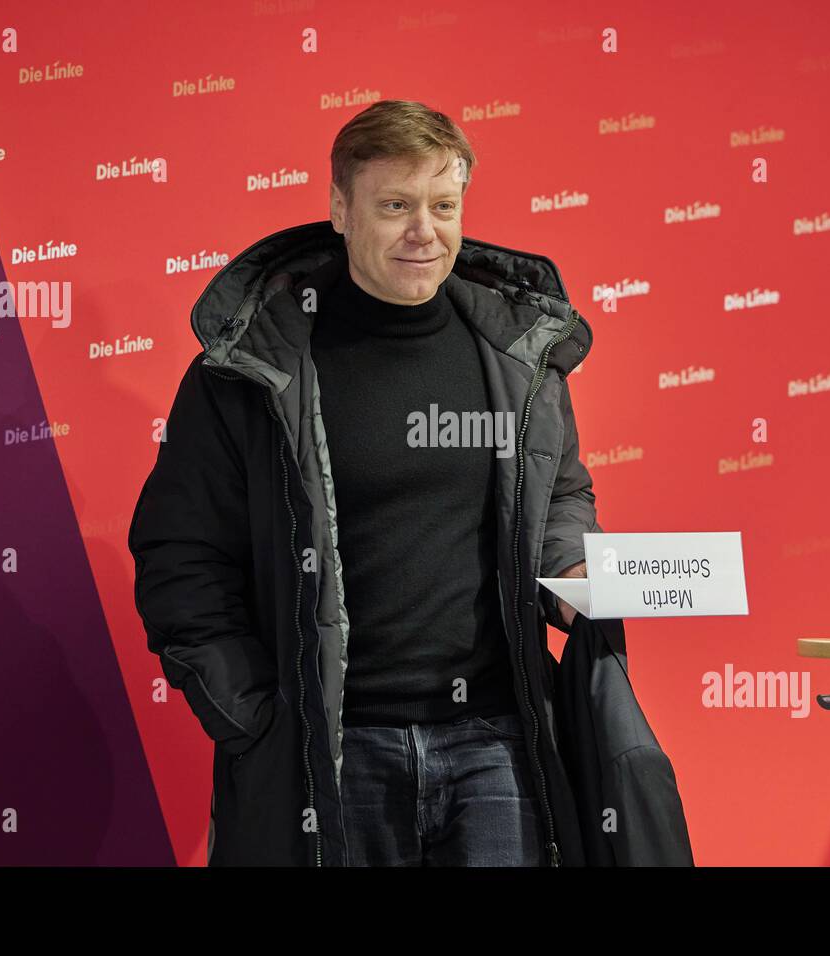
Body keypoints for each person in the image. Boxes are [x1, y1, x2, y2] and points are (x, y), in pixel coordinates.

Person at [128, 99, 600, 867]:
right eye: (395, 206)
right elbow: (181, 553)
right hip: (335, 754)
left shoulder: (518, 356)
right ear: (340, 209)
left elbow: (561, 497)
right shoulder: (254, 368)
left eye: (443, 206)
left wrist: (575, 570)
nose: (425, 231)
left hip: (495, 742)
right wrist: (255, 718)